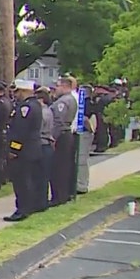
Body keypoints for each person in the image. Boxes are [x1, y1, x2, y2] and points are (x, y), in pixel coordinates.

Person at [5, 80, 44, 221]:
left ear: (24, 91)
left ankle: (22, 209)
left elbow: (20, 131)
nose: (16, 95)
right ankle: (27, 206)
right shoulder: (36, 105)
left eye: (17, 92)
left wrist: (14, 149)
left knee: (22, 181)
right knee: (28, 179)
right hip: (31, 149)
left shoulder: (26, 107)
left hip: (23, 151)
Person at [50, 77, 78, 206]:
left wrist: (53, 138)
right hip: (66, 134)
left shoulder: (63, 101)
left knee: (58, 167)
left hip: (62, 135)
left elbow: (58, 122)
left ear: (65, 86)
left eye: (58, 86)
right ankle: (64, 194)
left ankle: (59, 196)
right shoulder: (70, 99)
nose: (56, 89)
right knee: (64, 166)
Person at [37, 86, 55, 211]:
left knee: (39, 176)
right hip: (47, 144)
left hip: (42, 143)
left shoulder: (42, 112)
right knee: (43, 176)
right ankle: (42, 201)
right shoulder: (49, 110)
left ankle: (40, 202)